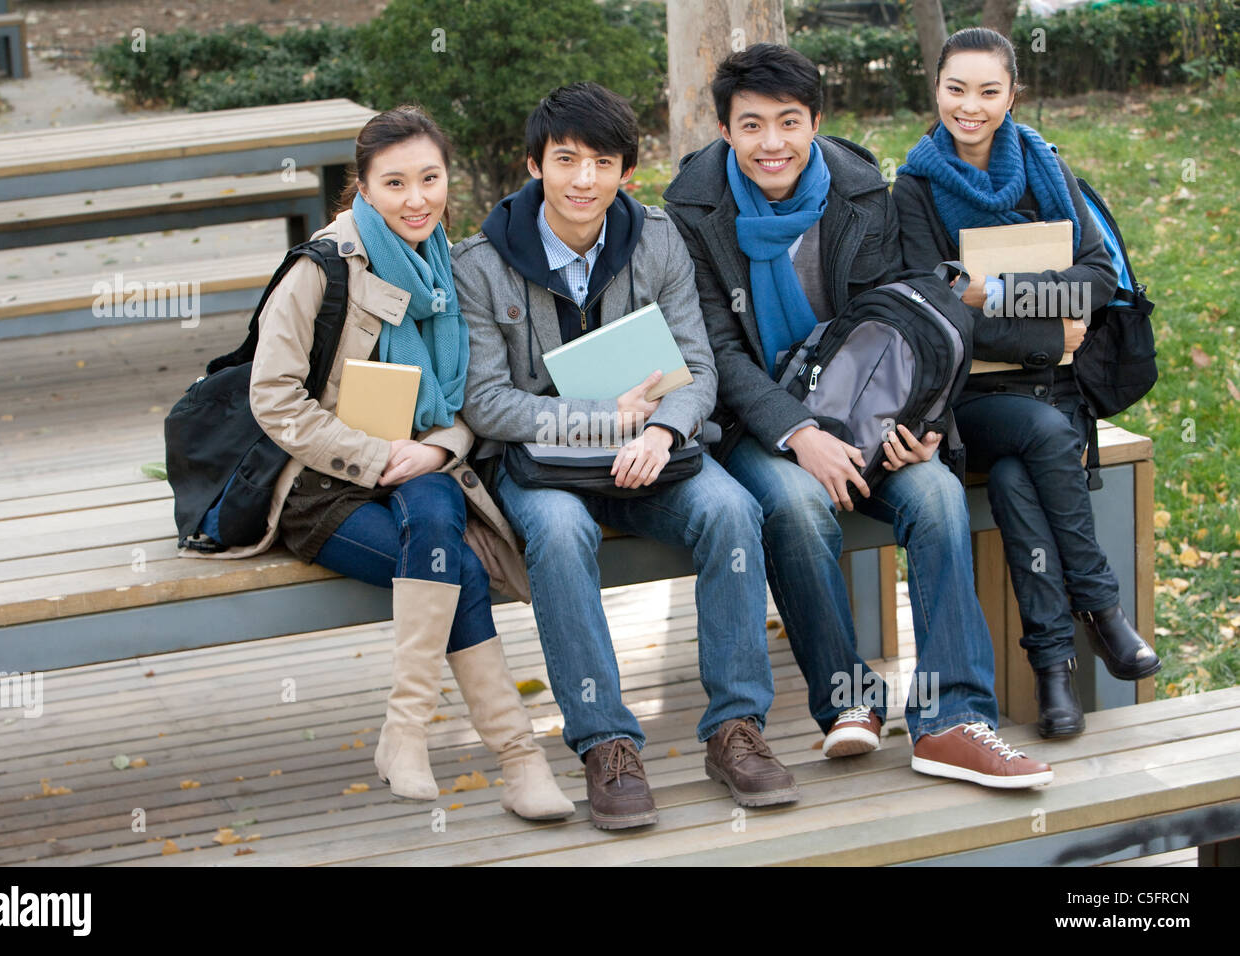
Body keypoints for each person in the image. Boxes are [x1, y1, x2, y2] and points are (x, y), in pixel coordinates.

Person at [664, 43, 1053, 787]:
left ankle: (952, 719)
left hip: (866, 404)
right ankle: (849, 697)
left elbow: (903, 313)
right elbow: (714, 352)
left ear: (815, 121)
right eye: (751, 126)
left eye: (788, 122)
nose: (771, 143)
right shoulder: (692, 209)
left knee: (936, 491)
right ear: (724, 130)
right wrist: (800, 432)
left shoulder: (858, 188)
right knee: (795, 504)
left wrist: (922, 420)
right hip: (755, 422)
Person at [184, 106, 573, 820]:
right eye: (395, 183)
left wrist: (438, 446)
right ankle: (516, 758)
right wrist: (375, 456)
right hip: (322, 483)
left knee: (437, 516)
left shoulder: (449, 267)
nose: (417, 198)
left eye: (430, 178)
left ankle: (407, 735)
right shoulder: (321, 270)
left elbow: (469, 394)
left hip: (426, 465)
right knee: (454, 564)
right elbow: (273, 398)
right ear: (362, 187)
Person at [452, 82, 799, 830]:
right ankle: (606, 744)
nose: (584, 180)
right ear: (534, 164)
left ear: (625, 173)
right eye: (566, 160)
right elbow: (485, 402)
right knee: (560, 533)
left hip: (656, 455)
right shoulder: (477, 263)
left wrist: (661, 433)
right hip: (543, 467)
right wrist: (601, 423)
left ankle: (737, 730)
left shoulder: (658, 238)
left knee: (733, 511)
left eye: (602, 163)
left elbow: (699, 371)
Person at [891, 27, 1161, 738]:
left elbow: (1100, 278)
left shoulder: (1043, 163)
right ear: (936, 89)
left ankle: (1051, 670)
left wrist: (1000, 289)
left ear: (1013, 94)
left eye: (988, 91)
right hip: (969, 400)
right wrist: (1044, 328)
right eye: (956, 89)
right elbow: (934, 309)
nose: (970, 107)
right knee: (1035, 438)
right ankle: (1103, 610)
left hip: (1056, 391)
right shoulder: (915, 186)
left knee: (1016, 479)